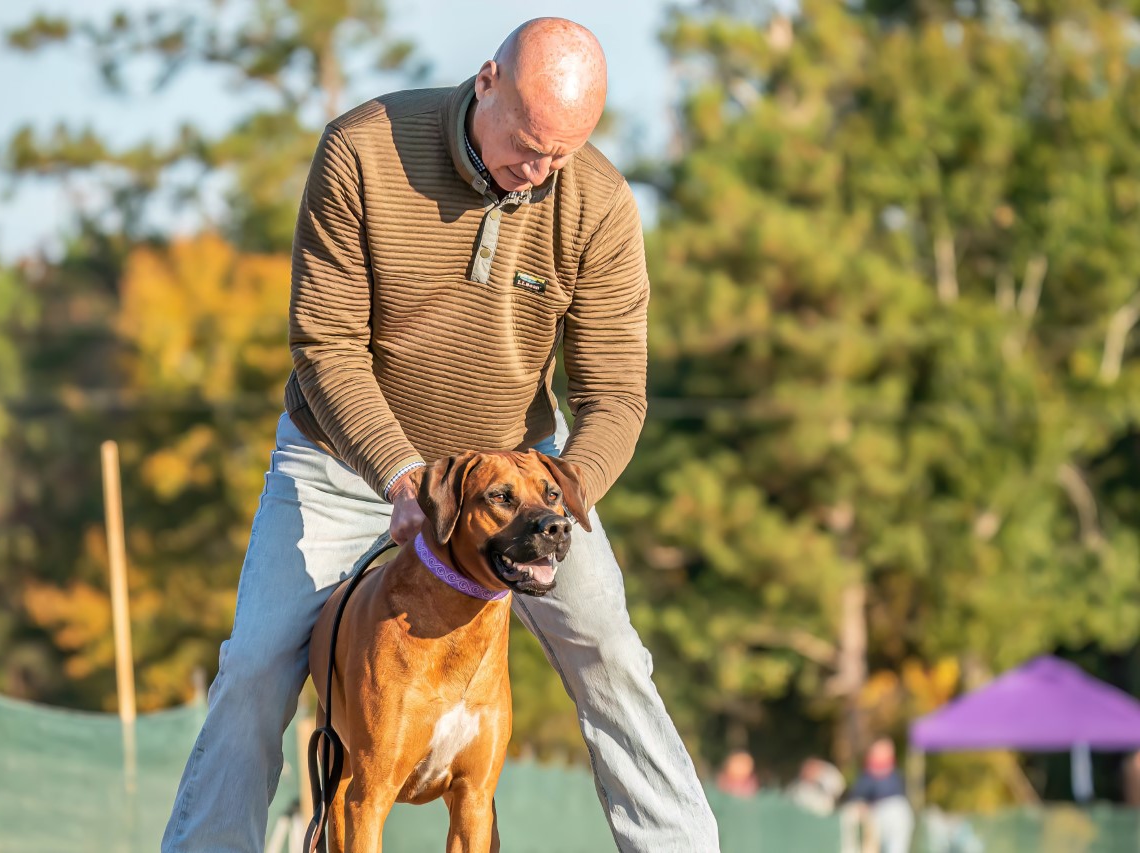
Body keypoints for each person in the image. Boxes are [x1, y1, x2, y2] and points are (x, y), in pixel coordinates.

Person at [161, 17, 720, 853]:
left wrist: (562, 498)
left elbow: (614, 397)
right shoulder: (362, 152)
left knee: (610, 647)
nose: (538, 172)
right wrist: (400, 478)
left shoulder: (598, 203)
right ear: (487, 80)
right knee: (253, 667)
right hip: (348, 460)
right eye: (527, 144)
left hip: (512, 483)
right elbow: (326, 347)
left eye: (560, 155)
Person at [847, 738, 915, 853]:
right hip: (877, 814)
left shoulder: (893, 773)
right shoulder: (867, 775)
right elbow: (856, 797)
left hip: (896, 812)